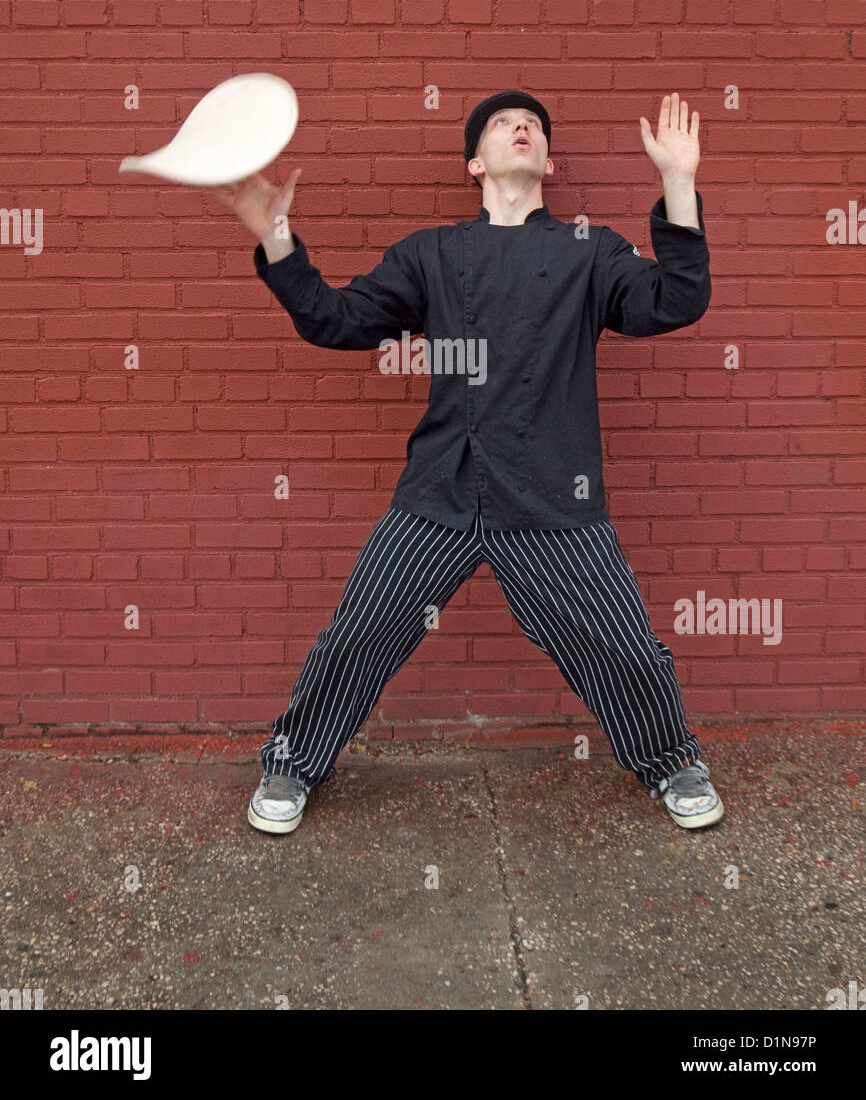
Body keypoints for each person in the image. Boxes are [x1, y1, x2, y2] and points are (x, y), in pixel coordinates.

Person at [214, 90, 724, 837]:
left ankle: (673, 759)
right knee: (359, 633)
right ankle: (291, 763)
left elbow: (676, 301)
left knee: (623, 647)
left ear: (548, 162)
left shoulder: (591, 250)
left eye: (534, 127)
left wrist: (678, 182)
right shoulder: (433, 253)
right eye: (500, 125)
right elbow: (339, 320)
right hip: (441, 492)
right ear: (474, 163)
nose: (520, 128)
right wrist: (279, 238)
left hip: (553, 494)